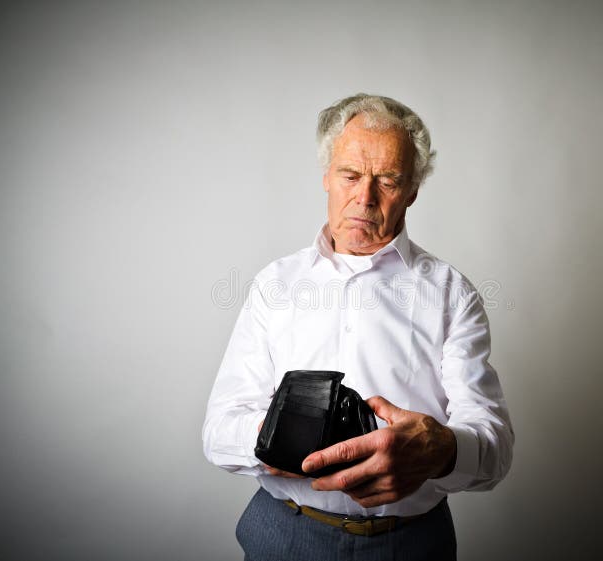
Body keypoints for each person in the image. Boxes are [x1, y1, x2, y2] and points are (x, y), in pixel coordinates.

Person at [202, 93, 514, 561]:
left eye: (387, 180)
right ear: (326, 176)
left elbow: (493, 448)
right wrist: (285, 439)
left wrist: (441, 448)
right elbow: (218, 431)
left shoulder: (452, 293)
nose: (364, 197)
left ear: (411, 190)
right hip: (284, 535)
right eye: (350, 175)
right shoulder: (274, 285)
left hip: (411, 544)